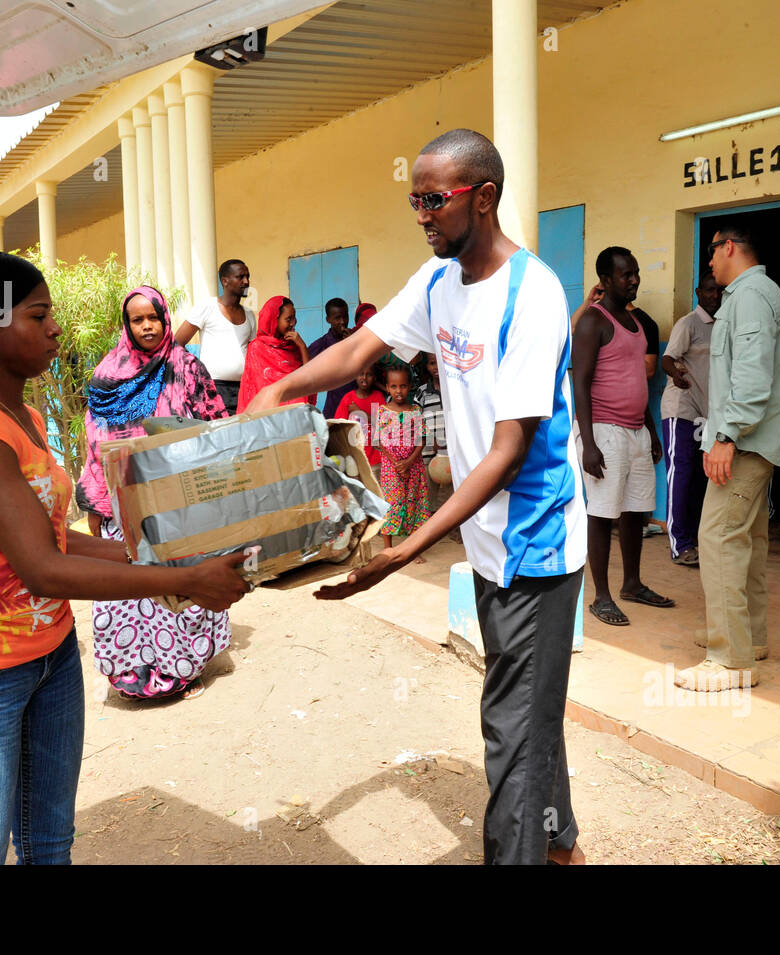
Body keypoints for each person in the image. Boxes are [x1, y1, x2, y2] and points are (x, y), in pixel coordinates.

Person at [247, 129, 587, 866]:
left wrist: (406, 548)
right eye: (415, 200)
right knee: (529, 708)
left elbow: (508, 450)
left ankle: (527, 851)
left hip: (536, 537)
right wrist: (281, 385)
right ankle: (560, 843)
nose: (422, 215)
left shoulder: (534, 294)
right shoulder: (437, 283)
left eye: (434, 199)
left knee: (511, 726)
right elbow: (359, 348)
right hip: (492, 539)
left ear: (484, 197)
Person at [0, 249, 249, 864]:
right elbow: (40, 569)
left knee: (49, 845)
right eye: (38, 314)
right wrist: (182, 580)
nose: (54, 328)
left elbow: (55, 538)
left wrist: (153, 554)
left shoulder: (25, 415)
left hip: (51, 657)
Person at [77, 285, 232, 700]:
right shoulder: (107, 375)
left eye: (154, 318)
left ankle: (183, 669)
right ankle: (131, 674)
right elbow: (95, 441)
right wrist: (95, 500)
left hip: (179, 498)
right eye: (137, 319)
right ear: (126, 326)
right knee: (126, 587)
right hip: (122, 500)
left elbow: (213, 422)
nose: (147, 326)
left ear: (165, 319)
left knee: (180, 583)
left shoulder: (184, 366)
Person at [677, 223, 780, 692]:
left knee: (719, 538)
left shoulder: (748, 297)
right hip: (752, 440)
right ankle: (750, 637)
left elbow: (751, 375)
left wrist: (725, 436)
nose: (709, 264)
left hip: (743, 442)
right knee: (748, 540)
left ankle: (730, 660)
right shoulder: (761, 293)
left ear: (729, 248)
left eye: (712, 253)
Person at [573, 246, 671, 628]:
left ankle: (632, 584)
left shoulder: (636, 324)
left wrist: (649, 428)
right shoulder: (592, 322)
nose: (634, 280)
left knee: (637, 511)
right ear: (606, 280)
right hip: (604, 432)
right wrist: (589, 442)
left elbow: (634, 382)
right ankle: (600, 596)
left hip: (635, 432)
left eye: (635, 273)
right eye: (625, 275)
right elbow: (579, 384)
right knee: (601, 514)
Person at [659, 272, 721, 567]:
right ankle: (679, 544)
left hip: (706, 414)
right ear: (698, 292)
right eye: (709, 291)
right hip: (681, 410)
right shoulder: (688, 323)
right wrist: (677, 376)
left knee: (699, 477)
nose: (714, 296)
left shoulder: (723, 325)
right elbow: (667, 359)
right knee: (680, 476)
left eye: (719, 291)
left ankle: (695, 540)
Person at [175, 259, 256, 415]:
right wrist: (195, 369)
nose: (246, 282)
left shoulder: (249, 314)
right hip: (212, 388)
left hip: (243, 389)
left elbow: (253, 352)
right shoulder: (208, 307)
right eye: (240, 277)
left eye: (247, 276)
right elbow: (177, 342)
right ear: (225, 281)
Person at [376, 364, 430, 559]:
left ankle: (413, 549)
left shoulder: (415, 411)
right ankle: (388, 547)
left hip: (413, 466)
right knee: (393, 503)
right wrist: (397, 463)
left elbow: (422, 439)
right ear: (388, 387)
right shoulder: (382, 411)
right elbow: (379, 441)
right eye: (394, 387)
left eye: (403, 386)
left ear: (410, 387)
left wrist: (408, 462)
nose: (399, 391)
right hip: (391, 470)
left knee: (414, 503)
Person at [236, 295, 311, 413]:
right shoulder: (257, 348)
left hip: (295, 416)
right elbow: (256, 389)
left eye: (294, 318)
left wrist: (302, 346)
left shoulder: (294, 346)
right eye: (288, 319)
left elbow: (309, 378)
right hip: (269, 418)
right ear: (273, 319)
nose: (293, 323)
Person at [414, 352, 452, 522]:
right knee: (428, 490)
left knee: (451, 489)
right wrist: (430, 439)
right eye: (431, 363)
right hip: (428, 451)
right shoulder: (422, 393)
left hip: (451, 450)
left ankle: (451, 525)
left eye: (439, 362)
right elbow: (414, 420)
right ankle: (428, 525)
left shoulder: (453, 389)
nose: (436, 367)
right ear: (426, 366)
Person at [334, 361, 385, 471]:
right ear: (355, 376)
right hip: (354, 459)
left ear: (375, 378)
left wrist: (359, 411)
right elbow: (338, 428)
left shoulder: (377, 397)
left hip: (376, 460)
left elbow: (381, 424)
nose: (364, 378)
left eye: (369, 374)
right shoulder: (348, 399)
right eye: (361, 374)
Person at [310, 297, 355, 420]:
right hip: (334, 406)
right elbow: (306, 369)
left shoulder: (356, 338)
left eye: (345, 316)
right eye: (337, 318)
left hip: (357, 405)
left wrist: (352, 344)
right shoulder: (321, 345)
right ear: (328, 319)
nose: (342, 322)